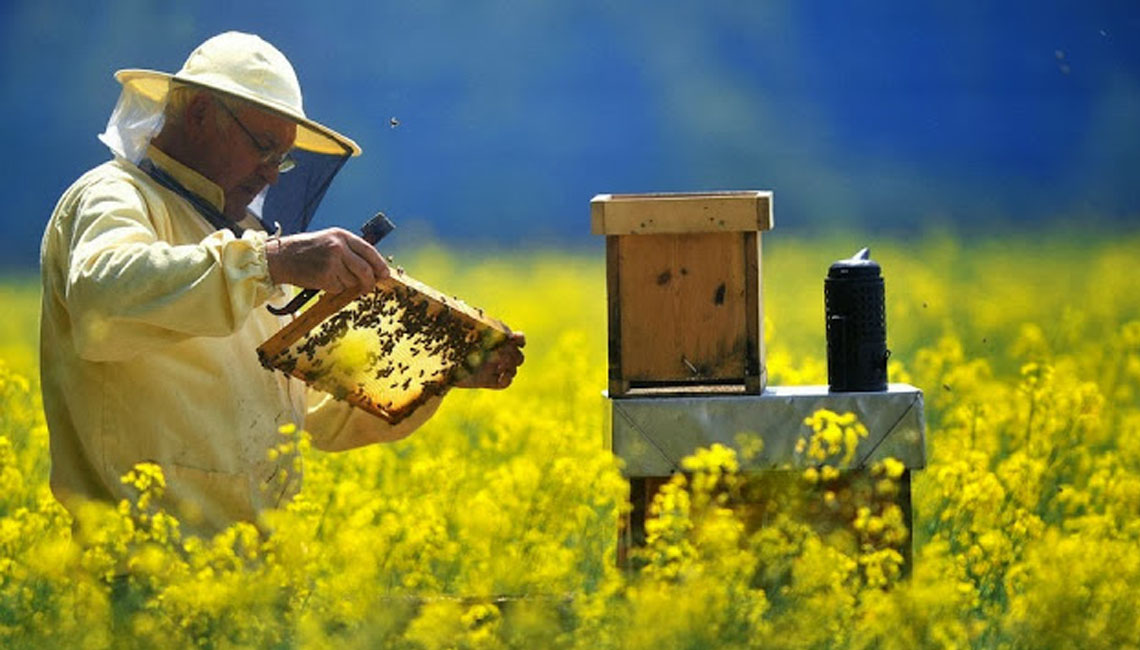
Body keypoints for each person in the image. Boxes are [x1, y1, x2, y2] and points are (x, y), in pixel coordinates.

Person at [39, 31, 524, 537]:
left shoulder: (239, 242)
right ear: (201, 113)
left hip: (254, 579)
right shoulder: (112, 196)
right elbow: (103, 302)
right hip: (136, 576)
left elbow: (304, 409)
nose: (271, 176)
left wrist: (439, 370)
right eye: (264, 148)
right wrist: (271, 261)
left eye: (282, 160)